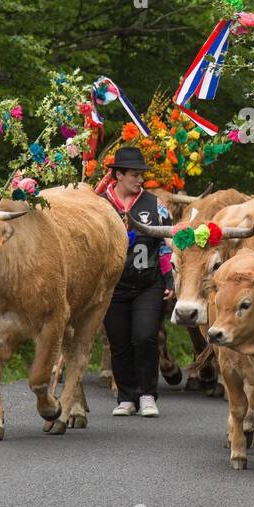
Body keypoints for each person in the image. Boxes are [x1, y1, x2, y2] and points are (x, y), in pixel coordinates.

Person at [97, 146, 174, 418]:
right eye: (133, 175)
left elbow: (165, 246)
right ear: (118, 175)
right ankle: (126, 396)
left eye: (141, 175)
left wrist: (169, 279)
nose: (140, 180)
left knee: (144, 336)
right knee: (119, 341)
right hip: (113, 286)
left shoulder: (155, 205)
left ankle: (148, 395)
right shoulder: (99, 205)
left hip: (148, 283)